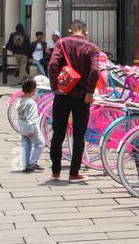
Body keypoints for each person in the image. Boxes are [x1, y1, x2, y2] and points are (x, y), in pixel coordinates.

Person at [44, 20, 101, 182]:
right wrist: (90, 92)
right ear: (86, 32)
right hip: (82, 97)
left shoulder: (61, 43)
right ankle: (74, 173)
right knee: (79, 135)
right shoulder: (92, 48)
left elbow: (52, 65)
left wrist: (54, 86)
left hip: (62, 95)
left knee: (58, 134)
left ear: (71, 31)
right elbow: (95, 71)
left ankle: (55, 172)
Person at [16, 77, 43, 173]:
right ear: (33, 90)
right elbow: (31, 117)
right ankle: (33, 162)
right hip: (31, 127)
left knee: (26, 145)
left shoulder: (20, 101)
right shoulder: (31, 103)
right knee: (40, 144)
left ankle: (25, 164)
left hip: (22, 126)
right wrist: (31, 129)